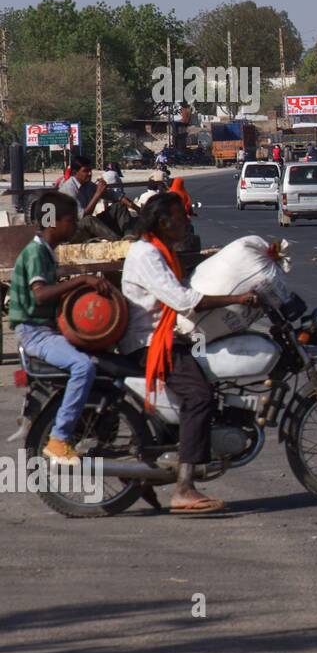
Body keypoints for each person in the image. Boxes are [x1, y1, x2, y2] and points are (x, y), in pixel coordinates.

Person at [119, 193, 258, 513]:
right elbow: (182, 300)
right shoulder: (147, 255)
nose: (186, 222)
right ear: (163, 223)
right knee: (199, 397)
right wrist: (234, 300)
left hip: (163, 336)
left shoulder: (160, 251)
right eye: (181, 217)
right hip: (150, 342)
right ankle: (184, 488)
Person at [9, 192, 115, 466]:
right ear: (53, 221)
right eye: (71, 220)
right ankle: (59, 438)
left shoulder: (46, 251)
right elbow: (42, 294)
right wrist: (82, 280)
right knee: (83, 367)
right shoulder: (35, 253)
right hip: (35, 333)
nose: (75, 226)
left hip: (47, 329)